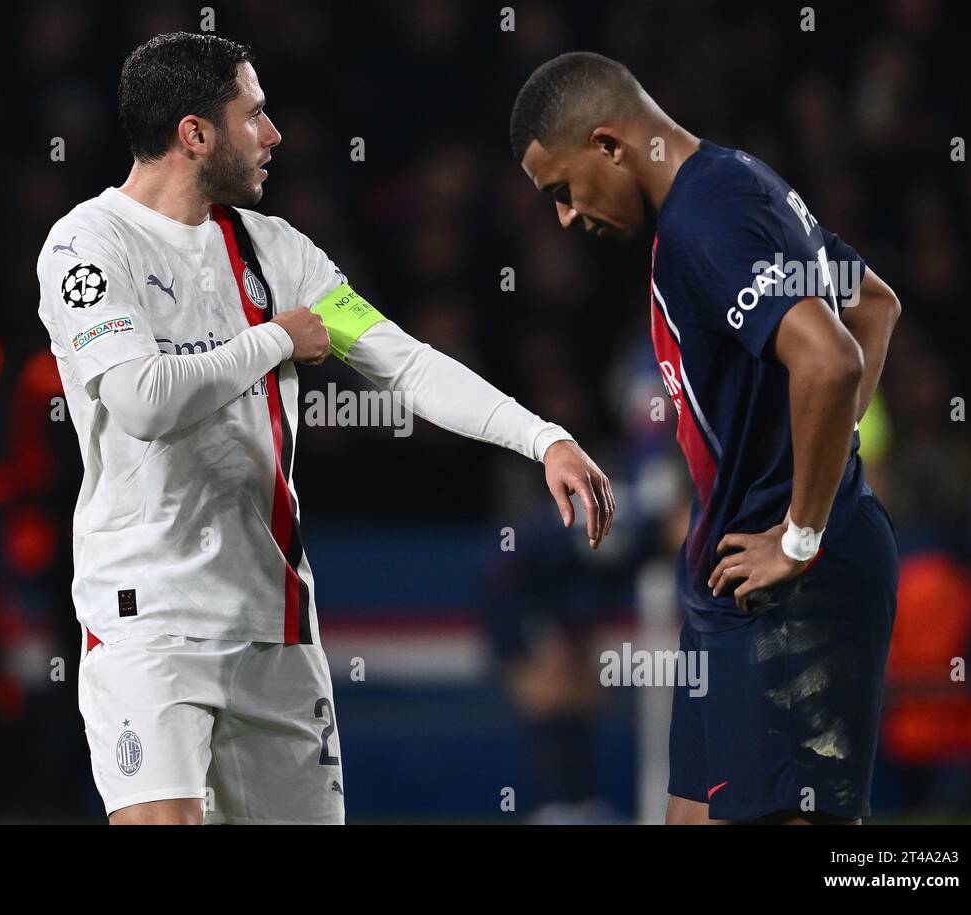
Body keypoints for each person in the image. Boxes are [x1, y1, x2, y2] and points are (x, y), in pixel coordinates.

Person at [35, 32, 616, 825]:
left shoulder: (277, 251)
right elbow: (141, 400)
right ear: (194, 134)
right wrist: (276, 339)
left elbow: (404, 364)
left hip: (274, 627)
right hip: (148, 623)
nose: (273, 135)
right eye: (255, 115)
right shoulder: (88, 246)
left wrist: (540, 434)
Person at [510, 52, 902, 823]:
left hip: (794, 591)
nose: (566, 217)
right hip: (736, 587)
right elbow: (875, 304)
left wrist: (800, 529)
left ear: (610, 145)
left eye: (562, 191)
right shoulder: (732, 185)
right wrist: (804, 466)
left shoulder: (708, 215)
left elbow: (831, 359)